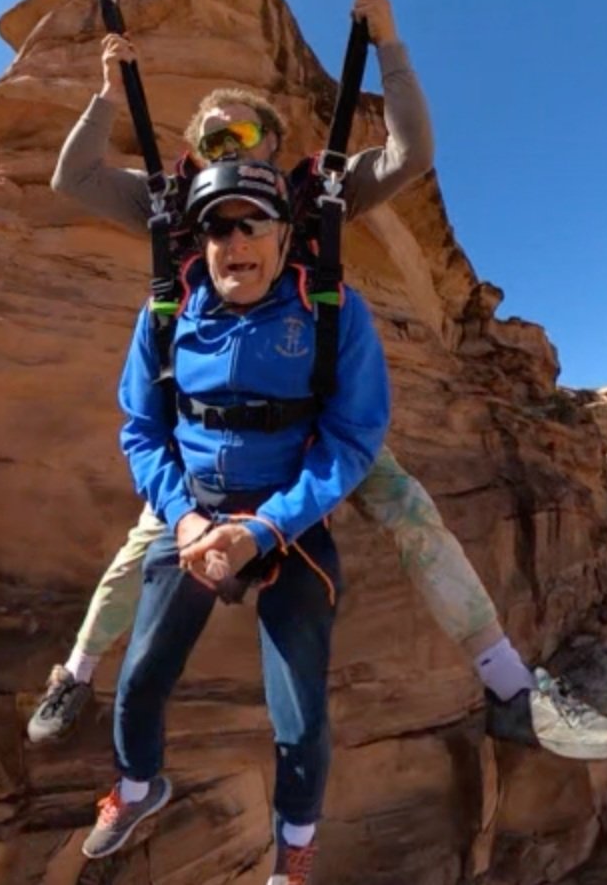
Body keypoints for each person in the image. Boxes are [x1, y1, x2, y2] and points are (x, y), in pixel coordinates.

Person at [40, 0, 607, 761]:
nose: (225, 151)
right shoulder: (174, 203)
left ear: (272, 142)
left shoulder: (316, 196)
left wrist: (388, 42)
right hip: (209, 426)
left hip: (308, 416)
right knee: (146, 537)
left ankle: (513, 688)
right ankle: (77, 675)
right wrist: (106, 98)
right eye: (210, 140)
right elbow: (72, 179)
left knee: (410, 510)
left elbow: (411, 155)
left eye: (240, 133)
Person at [82, 160, 387, 882]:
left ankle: (292, 850)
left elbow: (352, 437)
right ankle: (135, 788)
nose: (235, 239)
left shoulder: (330, 310)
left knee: (299, 712)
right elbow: (141, 428)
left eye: (254, 222)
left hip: (288, 520)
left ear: (286, 236)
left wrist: (263, 529)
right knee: (138, 679)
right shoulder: (168, 311)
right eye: (220, 224)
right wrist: (184, 520)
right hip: (194, 514)